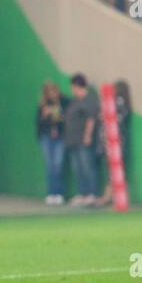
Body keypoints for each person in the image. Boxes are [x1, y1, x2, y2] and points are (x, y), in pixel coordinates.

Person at [63, 72, 99, 207]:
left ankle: (91, 194)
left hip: (83, 140)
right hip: (72, 140)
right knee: (77, 168)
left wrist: (87, 135)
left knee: (87, 166)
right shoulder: (74, 101)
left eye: (73, 87)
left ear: (78, 86)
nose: (72, 90)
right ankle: (82, 193)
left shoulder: (89, 100)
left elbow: (91, 119)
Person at [36, 80, 66, 205]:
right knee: (50, 165)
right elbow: (38, 123)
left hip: (60, 137)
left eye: (54, 91)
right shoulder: (42, 106)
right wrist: (44, 115)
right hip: (46, 137)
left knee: (58, 164)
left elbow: (67, 119)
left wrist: (61, 115)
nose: (52, 94)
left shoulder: (64, 102)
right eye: (49, 92)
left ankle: (59, 193)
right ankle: (51, 193)